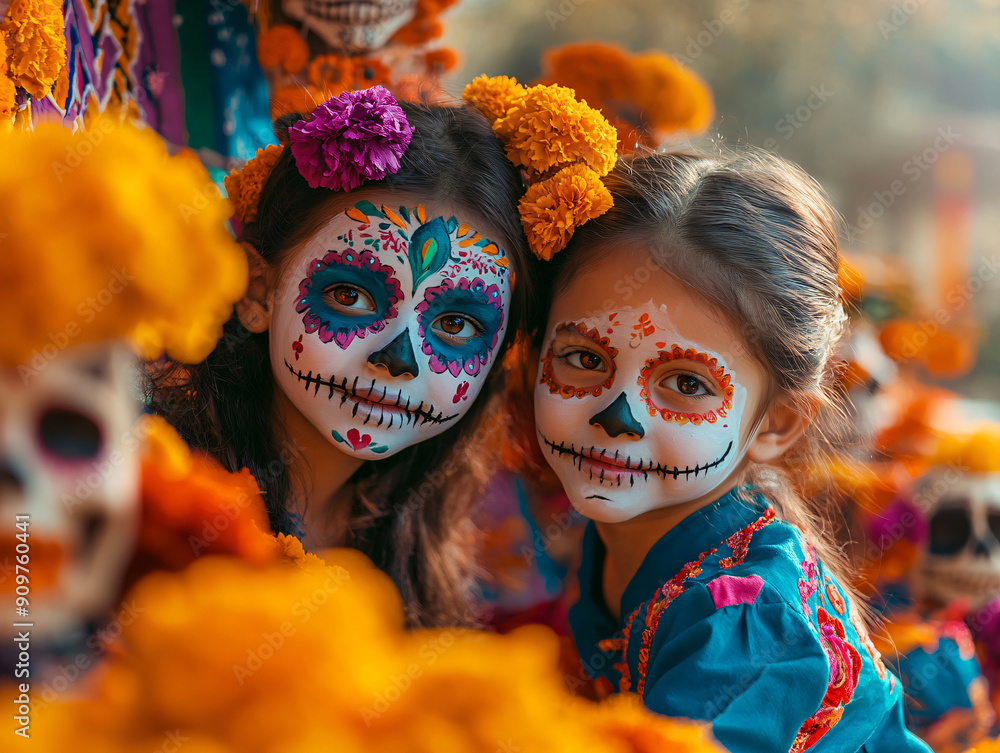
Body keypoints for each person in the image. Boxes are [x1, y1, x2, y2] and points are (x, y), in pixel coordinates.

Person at [533, 148, 933, 752]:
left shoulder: (743, 620)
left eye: (687, 383)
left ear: (777, 423)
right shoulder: (622, 533)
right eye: (585, 359)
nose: (617, 417)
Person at [146, 86, 533, 628]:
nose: (400, 359)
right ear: (259, 291)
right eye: (349, 295)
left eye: (454, 324)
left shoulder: (416, 543)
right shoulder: (149, 482)